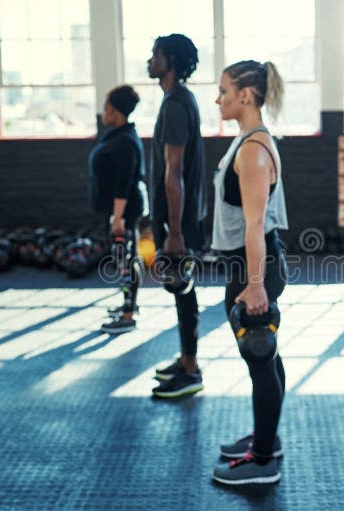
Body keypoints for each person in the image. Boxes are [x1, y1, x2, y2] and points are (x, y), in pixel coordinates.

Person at [210, 60, 288, 485]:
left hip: (252, 269)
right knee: (266, 357)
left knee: (260, 358)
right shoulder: (248, 140)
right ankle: (266, 437)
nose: (218, 99)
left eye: (223, 90)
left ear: (245, 95)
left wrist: (255, 285)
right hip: (247, 266)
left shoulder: (254, 149)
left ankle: (262, 462)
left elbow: (256, 224)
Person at [146, 34, 208, 398]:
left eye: (155, 55)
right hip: (178, 220)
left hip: (177, 223)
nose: (150, 60)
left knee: (182, 290)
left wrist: (174, 232)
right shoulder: (178, 99)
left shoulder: (175, 105)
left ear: (170, 61)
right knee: (182, 292)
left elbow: (174, 171)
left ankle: (191, 370)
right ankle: (187, 361)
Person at [88, 85, 146, 335]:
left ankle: (128, 315)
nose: (103, 114)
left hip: (124, 209)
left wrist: (118, 217)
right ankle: (128, 305)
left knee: (125, 260)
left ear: (116, 111)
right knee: (126, 258)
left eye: (106, 108)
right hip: (119, 209)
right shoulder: (119, 135)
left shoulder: (124, 141)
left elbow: (124, 183)